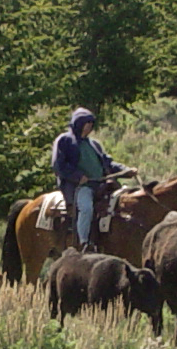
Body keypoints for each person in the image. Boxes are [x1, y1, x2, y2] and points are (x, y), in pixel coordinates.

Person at [48, 108, 127, 252]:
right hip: (79, 187)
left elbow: (108, 163)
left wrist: (126, 170)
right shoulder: (65, 140)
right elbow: (58, 165)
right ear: (78, 124)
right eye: (86, 123)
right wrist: (78, 177)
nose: (89, 126)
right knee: (86, 208)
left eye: (91, 123)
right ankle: (84, 243)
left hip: (101, 185)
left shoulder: (94, 144)